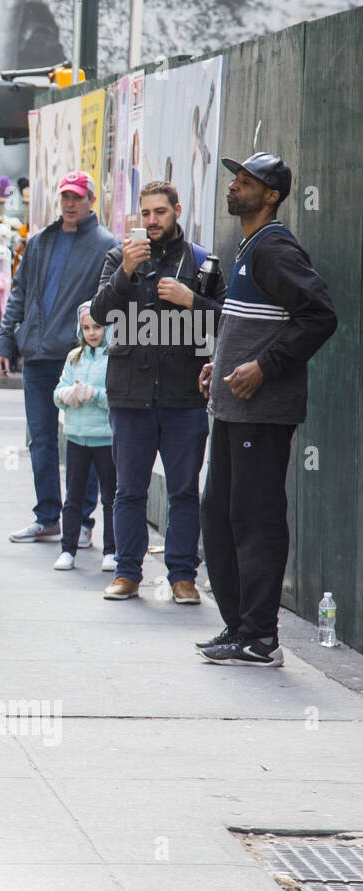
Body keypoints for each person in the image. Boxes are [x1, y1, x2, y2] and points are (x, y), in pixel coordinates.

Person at [197, 152, 336, 666]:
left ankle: (261, 638)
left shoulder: (274, 249)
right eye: (235, 178)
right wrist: (220, 363)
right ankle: (238, 629)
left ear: (271, 196)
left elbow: (320, 315)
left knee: (255, 520)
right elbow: (246, 322)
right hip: (233, 408)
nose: (234, 187)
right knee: (221, 515)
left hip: (263, 410)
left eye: (247, 181)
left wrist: (263, 367)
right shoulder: (245, 244)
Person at [89, 179, 226, 602]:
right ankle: (127, 573)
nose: (152, 221)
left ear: (177, 211)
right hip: (130, 395)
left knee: (185, 489)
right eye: (145, 213)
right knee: (128, 489)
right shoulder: (119, 256)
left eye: (159, 212)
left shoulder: (201, 262)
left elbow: (226, 323)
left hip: (184, 396)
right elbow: (99, 314)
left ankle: (182, 575)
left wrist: (192, 301)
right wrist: (127, 272)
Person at [0, 169, 117, 545]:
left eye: (78, 197)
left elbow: (110, 305)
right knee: (41, 439)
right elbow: (19, 293)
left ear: (91, 201)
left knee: (88, 441)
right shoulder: (40, 241)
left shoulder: (106, 245)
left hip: (82, 359)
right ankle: (47, 517)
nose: (71, 203)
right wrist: (3, 343)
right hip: (38, 356)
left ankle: (82, 522)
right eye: (65, 197)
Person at [52, 304, 116, 571]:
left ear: (108, 328)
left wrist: (95, 394)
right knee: (73, 497)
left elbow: (117, 399)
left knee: (110, 497)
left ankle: (112, 551)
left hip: (105, 438)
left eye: (97, 327)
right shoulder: (73, 357)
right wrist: (65, 396)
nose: (91, 333)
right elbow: (59, 391)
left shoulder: (115, 357)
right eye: (87, 327)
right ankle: (68, 549)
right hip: (77, 437)